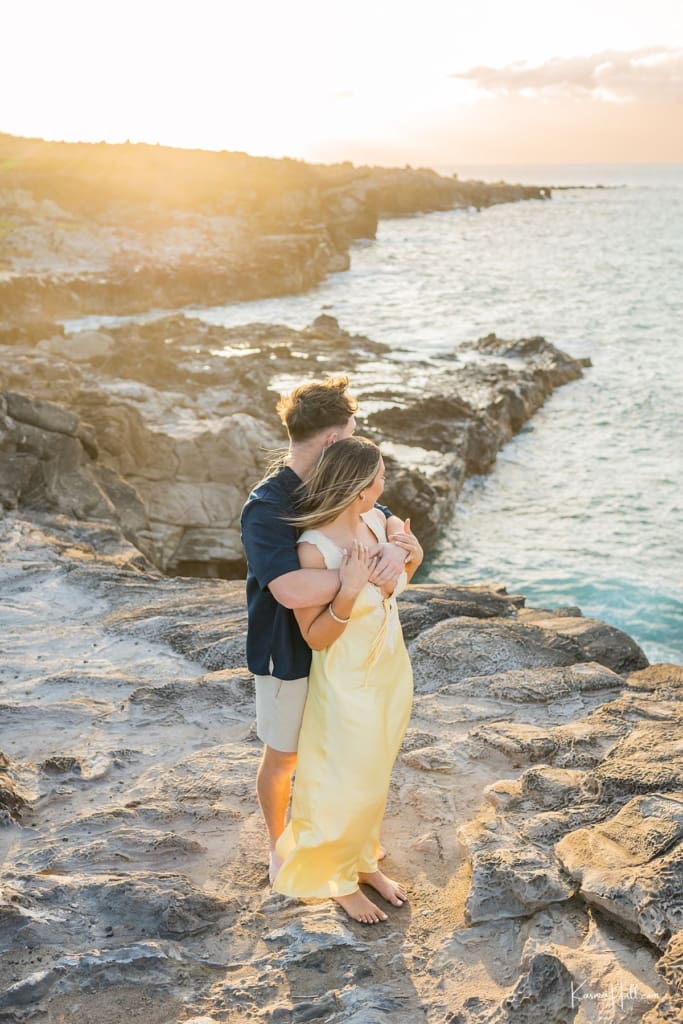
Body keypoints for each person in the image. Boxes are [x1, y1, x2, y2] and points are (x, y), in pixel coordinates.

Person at [240, 377, 413, 884]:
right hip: (287, 650)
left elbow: (390, 530)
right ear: (334, 441)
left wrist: (398, 551)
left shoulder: (340, 486)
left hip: (343, 655)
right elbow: (290, 591)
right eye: (353, 432)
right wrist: (353, 574)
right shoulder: (267, 505)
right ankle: (279, 845)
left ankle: (345, 839)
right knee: (285, 755)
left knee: (338, 750)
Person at [272, 436, 423, 924]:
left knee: (374, 774)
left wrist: (407, 553)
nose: (386, 484)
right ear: (361, 488)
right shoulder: (313, 549)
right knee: (341, 780)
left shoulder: (378, 523)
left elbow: (400, 584)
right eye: (381, 477)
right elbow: (316, 637)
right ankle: (335, 878)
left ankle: (361, 862)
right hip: (344, 680)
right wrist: (349, 589)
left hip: (390, 670)